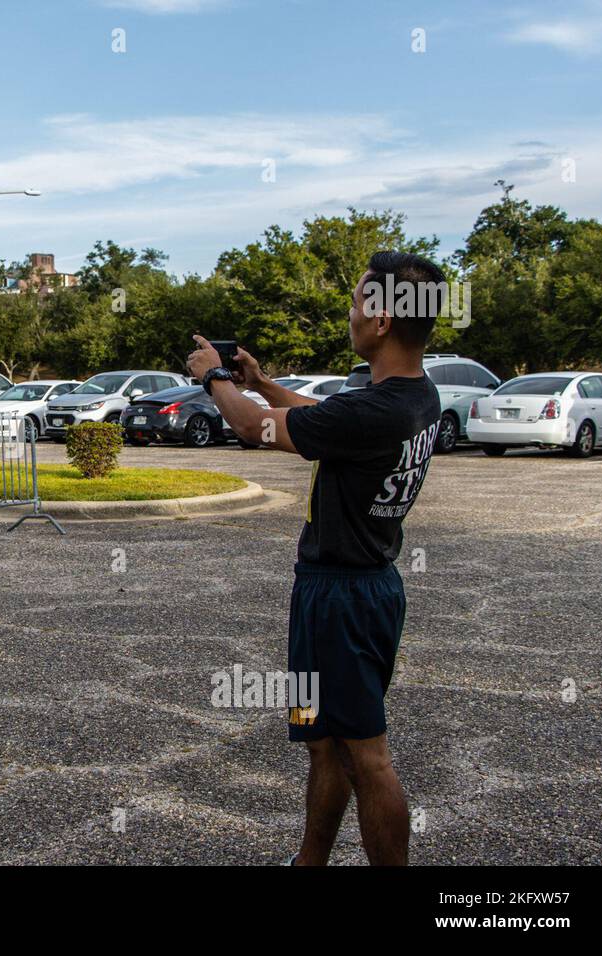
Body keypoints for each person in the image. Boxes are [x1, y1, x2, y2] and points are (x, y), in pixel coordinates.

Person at [186, 251, 445, 867]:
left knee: (365, 754)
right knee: (324, 743)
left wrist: (213, 376)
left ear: (382, 320)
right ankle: (309, 862)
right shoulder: (415, 397)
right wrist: (259, 381)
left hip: (343, 601)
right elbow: (321, 421)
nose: (350, 312)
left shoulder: (375, 408)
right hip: (354, 588)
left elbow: (255, 431)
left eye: (358, 301)